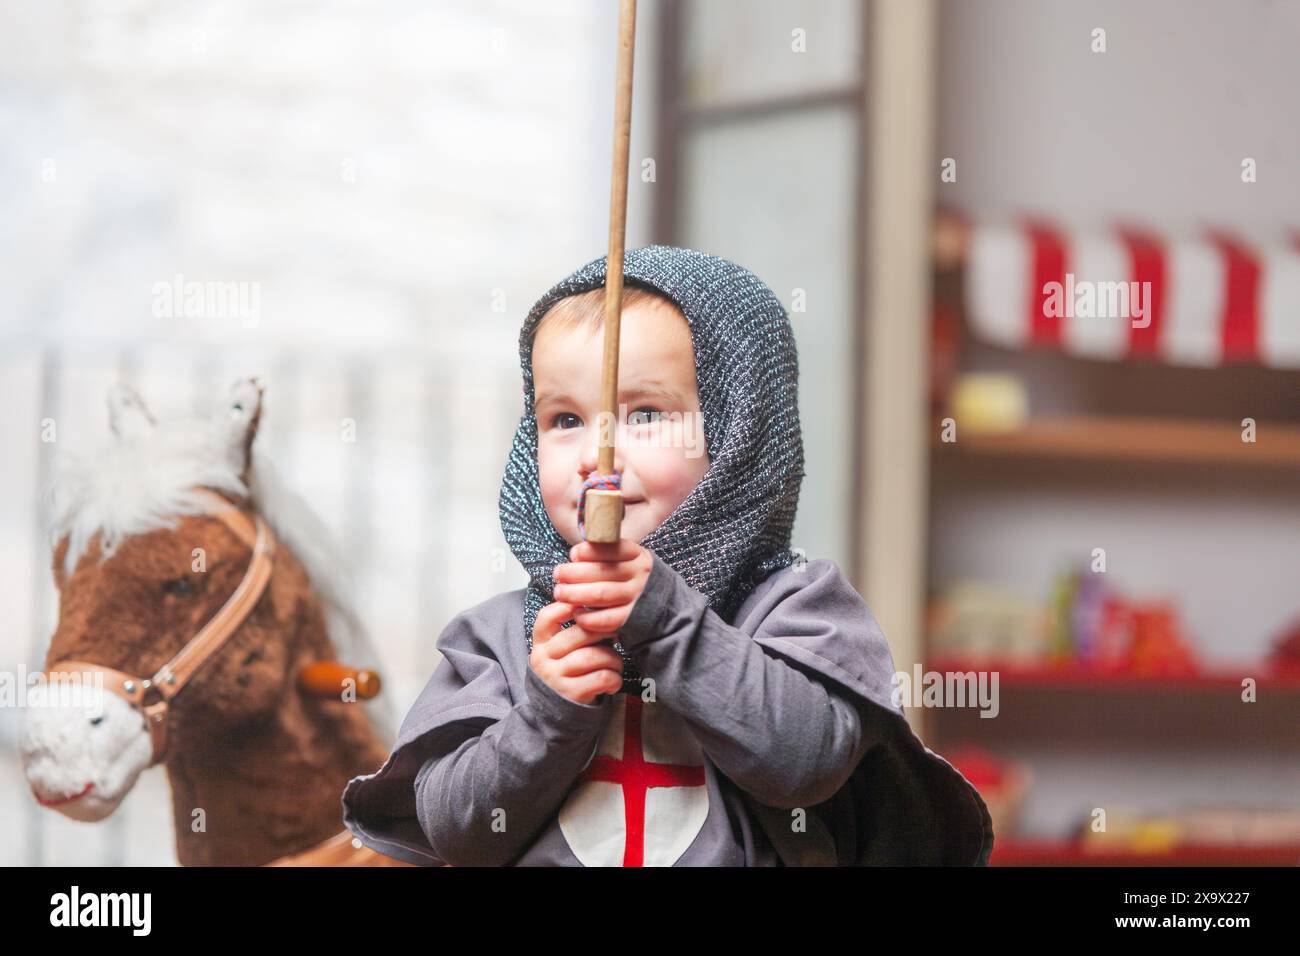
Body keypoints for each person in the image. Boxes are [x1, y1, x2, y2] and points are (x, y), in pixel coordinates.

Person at [341, 245, 993, 866]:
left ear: (741, 435)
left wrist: (669, 622)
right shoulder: (502, 638)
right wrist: (544, 712)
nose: (599, 457)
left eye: (646, 413)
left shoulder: (792, 605)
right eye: (564, 420)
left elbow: (806, 762)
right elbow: (458, 831)